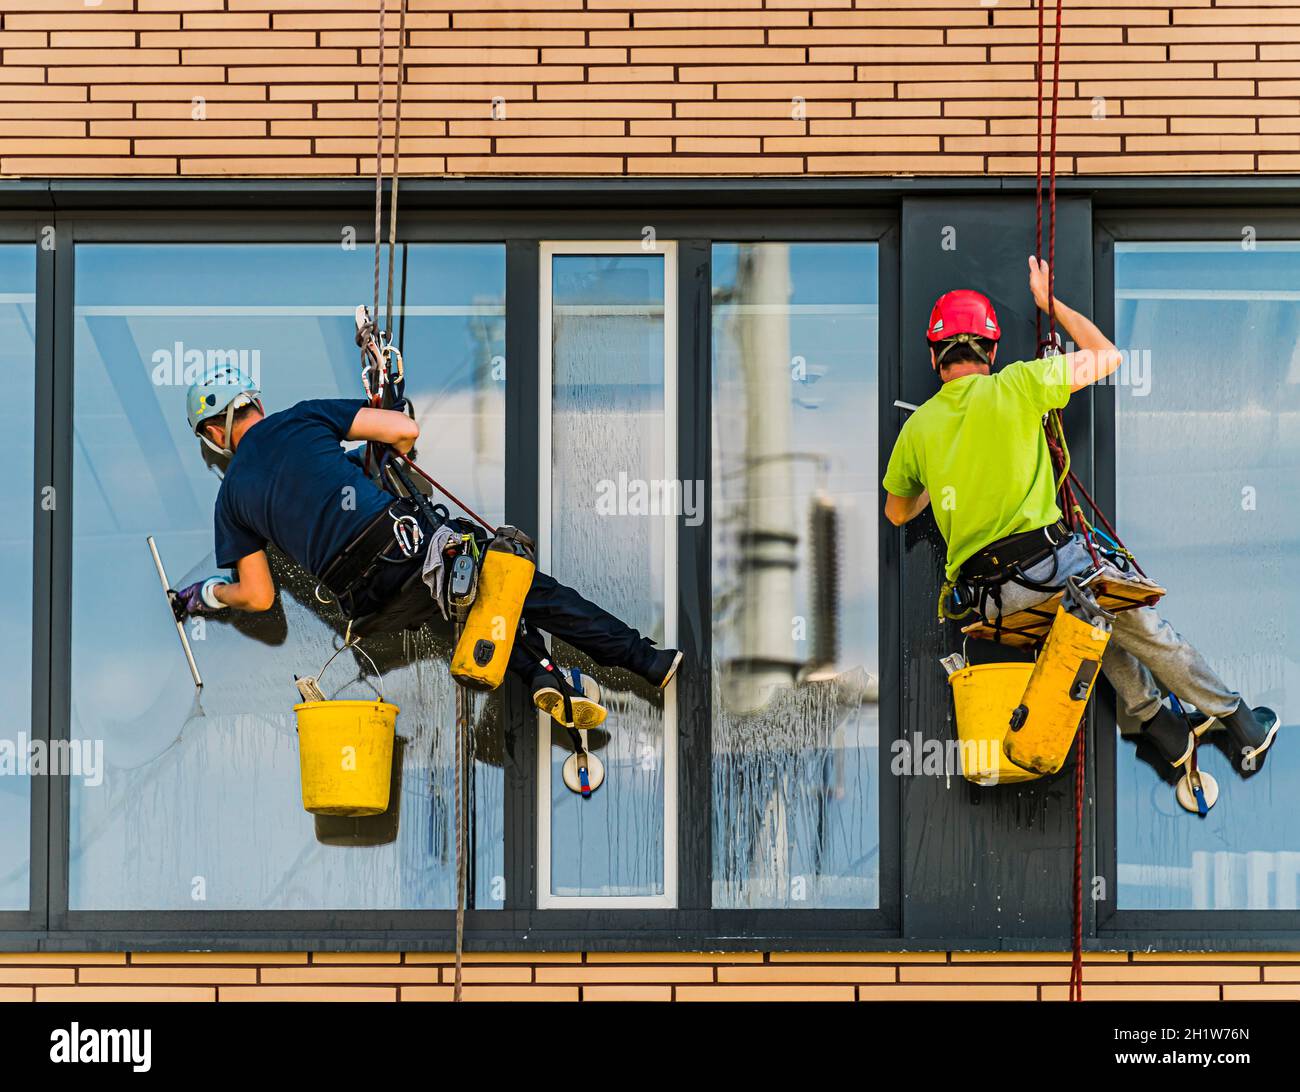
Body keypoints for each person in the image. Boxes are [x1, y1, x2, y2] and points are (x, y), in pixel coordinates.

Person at [882, 257, 1279, 772]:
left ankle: (1162, 727)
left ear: (936, 354)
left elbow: (897, 513)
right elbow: (1107, 356)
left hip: (990, 602)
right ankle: (1241, 721)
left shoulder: (919, 429)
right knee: (1141, 624)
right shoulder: (1020, 384)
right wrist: (1051, 304)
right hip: (1045, 568)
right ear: (993, 350)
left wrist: (941, 480)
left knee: (1091, 618)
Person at [174, 363, 681, 728]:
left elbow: (258, 596)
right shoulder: (304, 418)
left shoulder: (230, 500)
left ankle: (543, 677)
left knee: (480, 604)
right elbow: (404, 429)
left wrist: (210, 595)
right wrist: (361, 445)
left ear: (216, 432)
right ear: (255, 403)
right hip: (402, 544)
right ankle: (643, 660)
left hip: (366, 602)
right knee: (521, 585)